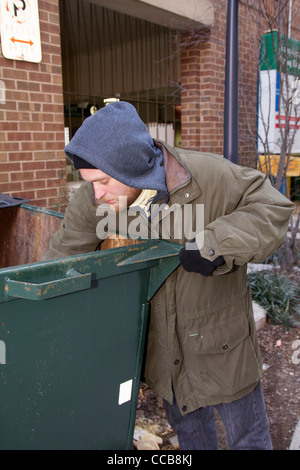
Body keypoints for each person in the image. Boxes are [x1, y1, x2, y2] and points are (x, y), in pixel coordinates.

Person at [44, 101, 295, 450]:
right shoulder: (94, 202)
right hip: (163, 352)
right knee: (192, 438)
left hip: (222, 344)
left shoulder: (207, 177)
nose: (95, 193)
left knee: (248, 439)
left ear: (130, 167)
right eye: (88, 182)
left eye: (102, 181)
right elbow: (62, 257)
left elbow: (272, 207)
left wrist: (215, 243)